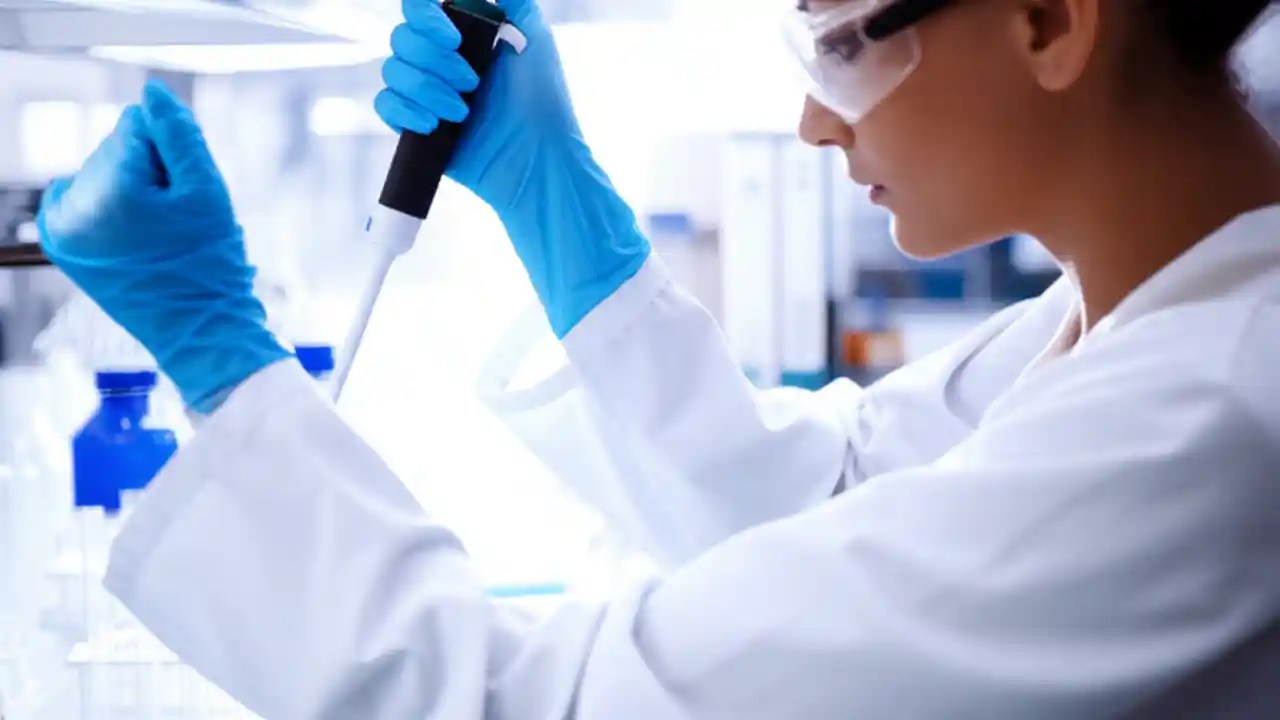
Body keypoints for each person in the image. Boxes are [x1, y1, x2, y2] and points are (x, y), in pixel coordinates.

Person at [35, 0, 1280, 716]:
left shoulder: (1206, 416)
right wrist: (559, 212)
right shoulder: (1144, 314)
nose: (812, 120)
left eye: (837, 42)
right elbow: (827, 510)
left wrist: (221, 361)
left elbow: (558, 710)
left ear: (1047, 21)